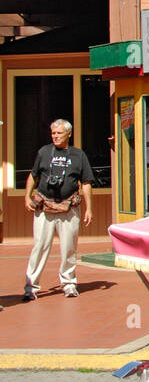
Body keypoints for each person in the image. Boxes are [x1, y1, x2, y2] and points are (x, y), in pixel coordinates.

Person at [23, 119, 94, 300]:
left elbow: (86, 183)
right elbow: (33, 176)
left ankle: (69, 284)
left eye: (59, 133)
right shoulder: (44, 152)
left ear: (69, 134)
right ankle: (31, 287)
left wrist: (89, 209)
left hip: (69, 208)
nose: (55, 136)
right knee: (39, 247)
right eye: (53, 133)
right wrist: (27, 196)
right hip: (44, 208)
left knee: (69, 248)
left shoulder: (79, 155)